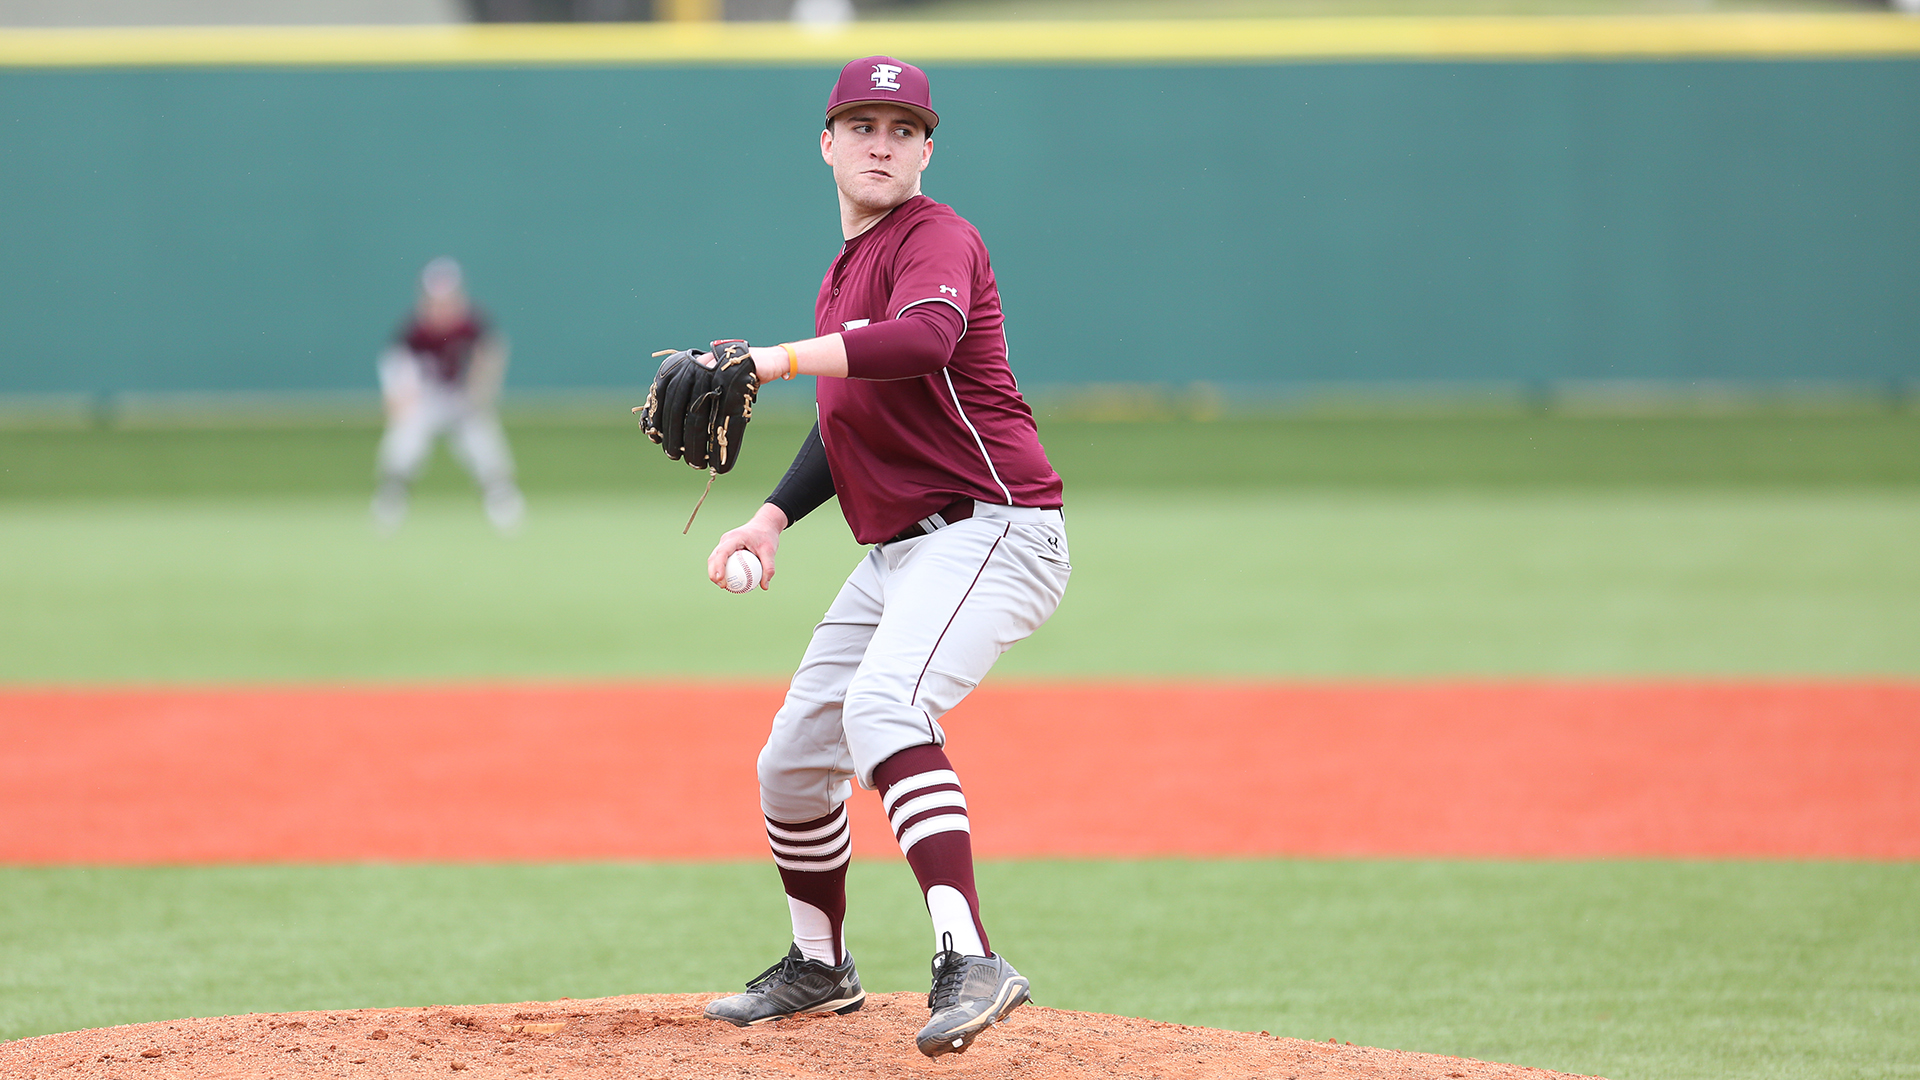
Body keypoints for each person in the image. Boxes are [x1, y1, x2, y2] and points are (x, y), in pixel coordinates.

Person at [694, 56, 1070, 1058]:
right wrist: (771, 517)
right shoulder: (845, 269)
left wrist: (772, 358)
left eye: (902, 129)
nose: (880, 142)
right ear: (826, 143)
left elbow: (923, 342)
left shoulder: (936, 237)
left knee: (884, 707)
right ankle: (819, 965)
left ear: (926, 149)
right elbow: (847, 411)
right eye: (861, 124)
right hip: (901, 552)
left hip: (994, 527)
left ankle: (970, 955)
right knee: (791, 760)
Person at [371, 257, 525, 534]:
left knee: (485, 450)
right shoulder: (414, 330)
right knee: (403, 447)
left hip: (461, 397)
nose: (442, 307)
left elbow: (492, 354)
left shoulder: (472, 324)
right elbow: (395, 365)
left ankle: (504, 506)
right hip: (426, 399)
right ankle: (390, 504)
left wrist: (482, 389)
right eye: (435, 300)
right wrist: (397, 395)